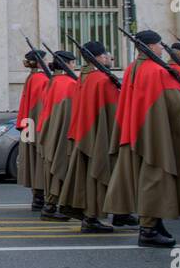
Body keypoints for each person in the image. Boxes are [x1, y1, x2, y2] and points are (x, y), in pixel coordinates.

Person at [104, 31, 180, 247]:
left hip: (135, 130)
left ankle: (153, 225)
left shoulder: (132, 68)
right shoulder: (157, 71)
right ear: (151, 46)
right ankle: (148, 229)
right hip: (153, 133)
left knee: (146, 179)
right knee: (154, 179)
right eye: (158, 45)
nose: (161, 49)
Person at [60, 41, 126, 233]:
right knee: (99, 176)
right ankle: (92, 217)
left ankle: (112, 214)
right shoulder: (101, 79)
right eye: (105, 54)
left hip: (85, 133)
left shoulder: (85, 77)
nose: (109, 58)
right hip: (99, 134)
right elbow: (114, 111)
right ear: (98, 57)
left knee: (90, 177)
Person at [35, 50, 79, 222]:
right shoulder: (68, 83)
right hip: (61, 131)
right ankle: (51, 207)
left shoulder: (54, 81)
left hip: (49, 129)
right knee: (60, 166)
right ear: (67, 64)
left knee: (52, 167)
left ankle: (51, 205)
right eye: (73, 63)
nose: (74, 66)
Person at [14, 49, 51, 213]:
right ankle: (41, 197)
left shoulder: (31, 77)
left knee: (32, 160)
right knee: (39, 161)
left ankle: (37, 198)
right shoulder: (42, 79)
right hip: (36, 124)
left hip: (27, 124)